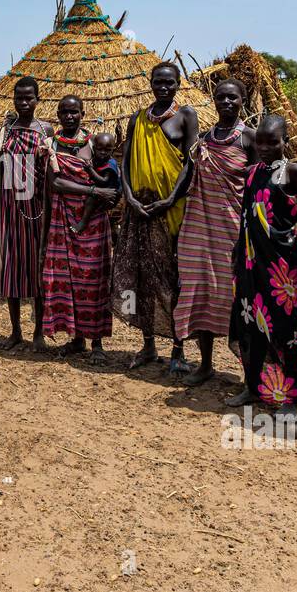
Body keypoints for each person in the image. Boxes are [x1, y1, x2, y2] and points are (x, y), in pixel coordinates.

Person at [113, 61, 200, 371]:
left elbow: (191, 163)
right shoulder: (138, 119)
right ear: (150, 82)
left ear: (178, 84)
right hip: (140, 210)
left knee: (174, 278)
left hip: (172, 211)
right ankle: (148, 345)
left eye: (170, 82)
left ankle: (178, 350)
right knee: (142, 278)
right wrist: (130, 198)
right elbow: (124, 163)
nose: (163, 86)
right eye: (158, 81)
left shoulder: (186, 115)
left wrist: (170, 199)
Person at [226, 116, 297, 412]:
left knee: (286, 331)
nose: (264, 148)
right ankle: (252, 388)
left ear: (285, 142)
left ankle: (291, 397)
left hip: (282, 268)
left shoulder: (295, 173)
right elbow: (245, 217)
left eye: (272, 142)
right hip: (251, 263)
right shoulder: (251, 173)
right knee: (250, 326)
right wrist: (238, 253)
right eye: (260, 142)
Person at [172, 78, 254, 384]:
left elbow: (257, 187)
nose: (227, 103)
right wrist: (168, 201)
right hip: (199, 228)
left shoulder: (250, 139)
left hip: (234, 230)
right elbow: (189, 174)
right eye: (221, 98)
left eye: (233, 98)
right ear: (214, 100)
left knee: (237, 298)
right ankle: (205, 364)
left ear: (242, 100)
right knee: (200, 290)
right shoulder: (204, 139)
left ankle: (250, 374)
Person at [42, 96, 115, 365]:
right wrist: (94, 190)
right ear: (58, 114)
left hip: (93, 221)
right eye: (65, 112)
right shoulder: (52, 145)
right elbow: (55, 184)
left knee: (93, 280)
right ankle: (76, 338)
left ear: (83, 113)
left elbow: (110, 178)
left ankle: (96, 341)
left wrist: (99, 193)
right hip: (62, 218)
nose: (70, 117)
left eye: (74, 112)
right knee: (68, 279)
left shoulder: (95, 144)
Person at [0, 76, 53, 351]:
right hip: (8, 206)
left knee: (37, 268)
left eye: (29, 98)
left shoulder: (46, 130)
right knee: (12, 269)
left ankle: (38, 331)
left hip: (36, 207)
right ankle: (16, 330)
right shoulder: (6, 130)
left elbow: (51, 171)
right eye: (19, 98)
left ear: (38, 99)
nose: (24, 102)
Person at [70, 132, 120, 235]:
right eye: (99, 149)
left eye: (107, 150)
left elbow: (103, 181)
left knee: (90, 199)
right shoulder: (98, 159)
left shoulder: (110, 164)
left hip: (109, 192)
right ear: (94, 148)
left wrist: (90, 170)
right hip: (103, 190)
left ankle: (83, 223)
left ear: (113, 149)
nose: (103, 152)